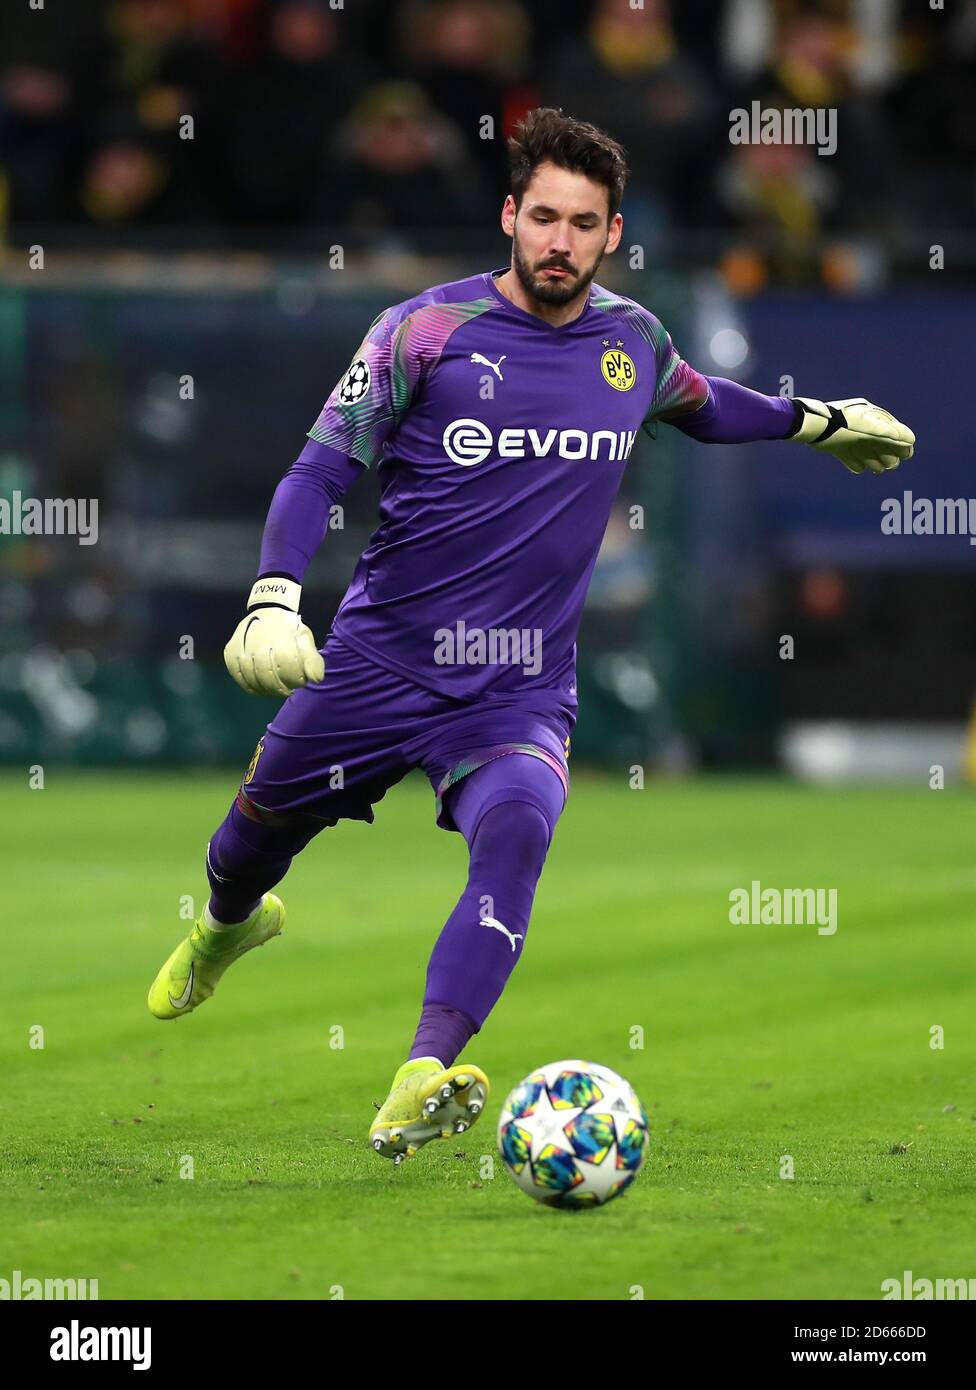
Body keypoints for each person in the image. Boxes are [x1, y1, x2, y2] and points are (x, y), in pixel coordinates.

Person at [147, 107, 914, 1165]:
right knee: (244, 845)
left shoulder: (633, 341)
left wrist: (818, 422)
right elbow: (322, 466)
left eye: (583, 224)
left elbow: (701, 404)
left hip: (517, 686)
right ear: (510, 215)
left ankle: (424, 1069)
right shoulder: (423, 330)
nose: (559, 240)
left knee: (516, 837)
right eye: (542, 216)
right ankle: (230, 924)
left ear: (611, 236)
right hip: (378, 662)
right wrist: (274, 594)